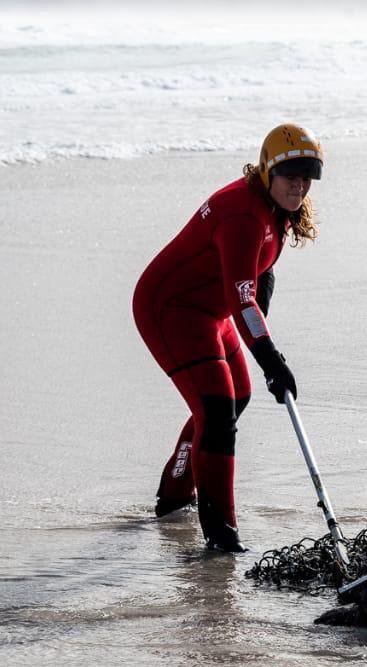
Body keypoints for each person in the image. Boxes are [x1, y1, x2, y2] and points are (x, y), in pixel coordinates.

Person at [133, 123, 321, 553]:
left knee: (234, 398)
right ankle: (221, 535)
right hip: (172, 309)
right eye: (291, 174)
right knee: (216, 412)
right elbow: (244, 302)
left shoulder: (277, 208)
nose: (299, 185)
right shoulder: (243, 215)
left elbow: (254, 277)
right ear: (267, 170)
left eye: (308, 175)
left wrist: (267, 276)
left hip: (211, 310)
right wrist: (272, 359)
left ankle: (175, 496)